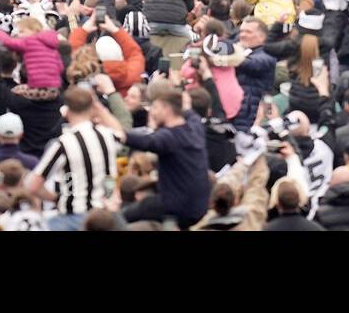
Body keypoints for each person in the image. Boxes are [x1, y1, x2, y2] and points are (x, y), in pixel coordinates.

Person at [109, 87, 210, 227]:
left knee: (118, 218)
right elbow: (190, 113)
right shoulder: (195, 126)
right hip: (198, 206)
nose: (152, 112)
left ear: (166, 109)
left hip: (178, 208)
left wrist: (120, 135)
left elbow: (147, 141)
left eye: (155, 107)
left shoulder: (169, 137)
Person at [23, 87, 119, 231]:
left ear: (66, 110)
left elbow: (32, 185)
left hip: (73, 218)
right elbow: (121, 132)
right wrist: (99, 107)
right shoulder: (108, 135)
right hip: (105, 216)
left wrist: (55, 198)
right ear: (92, 108)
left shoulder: (63, 143)